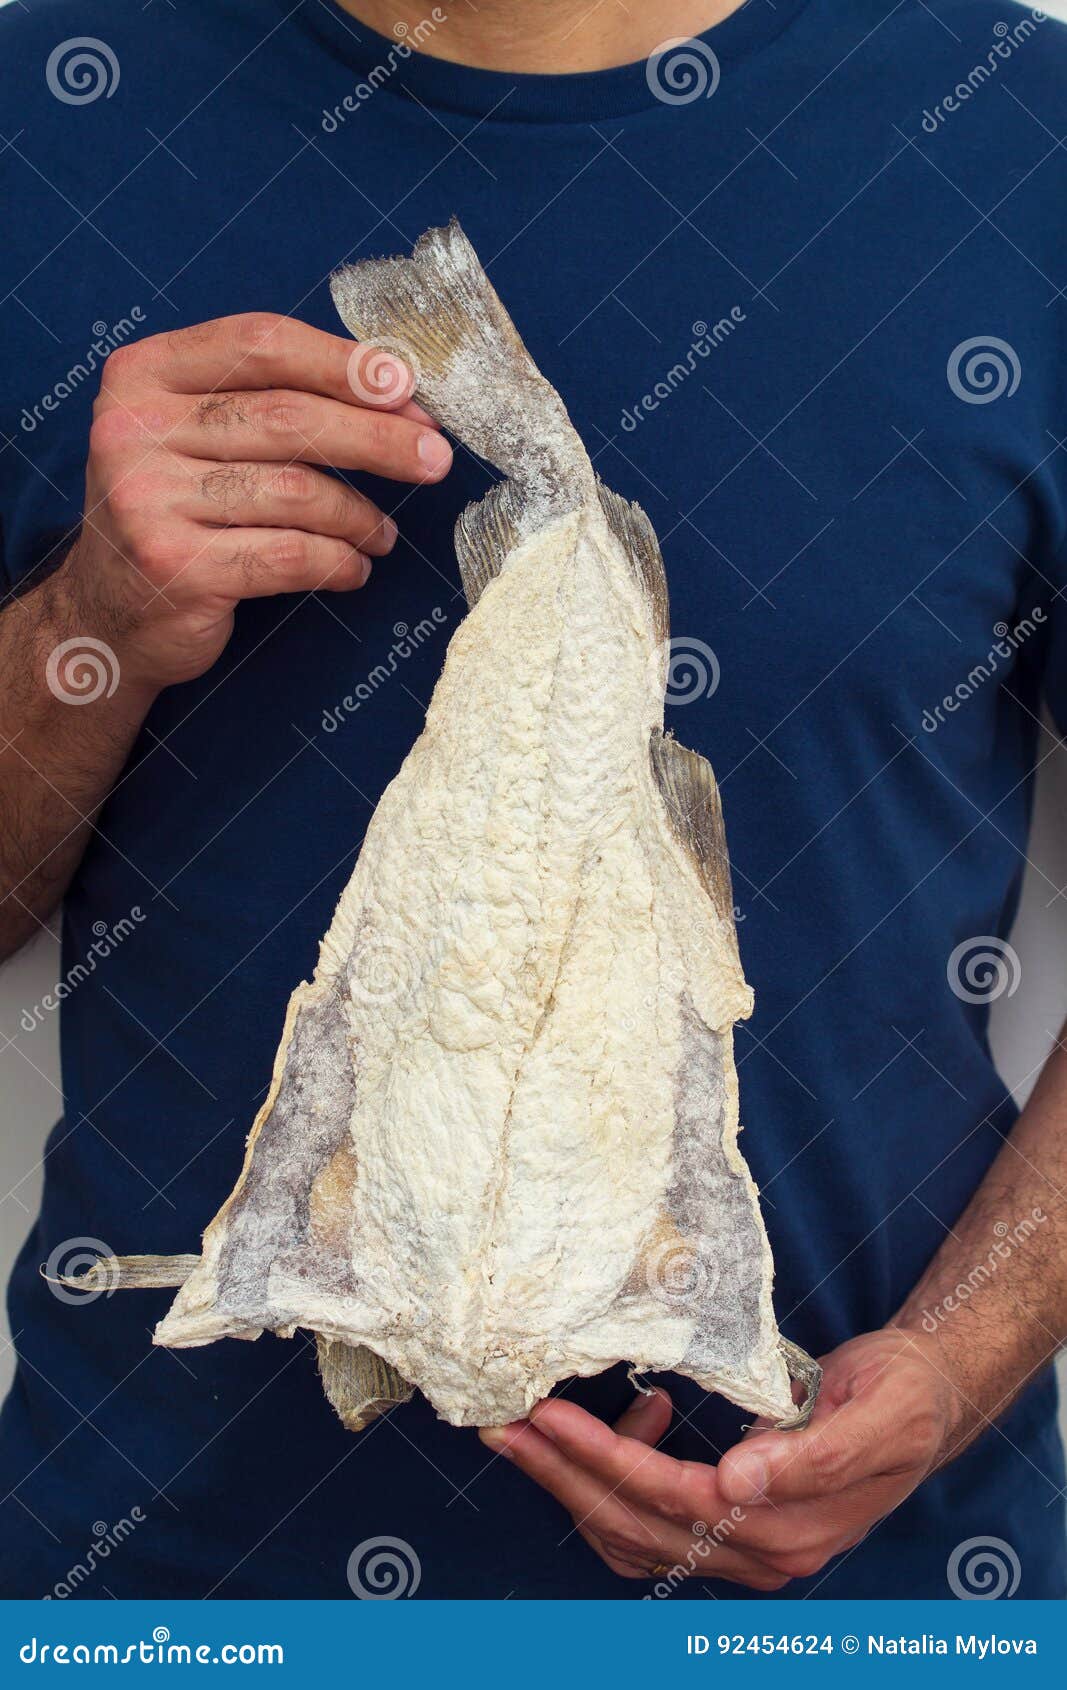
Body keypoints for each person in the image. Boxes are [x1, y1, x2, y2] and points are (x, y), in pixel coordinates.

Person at [0, 0, 1064, 1601]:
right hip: (168, 1599)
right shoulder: (43, 120)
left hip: (870, 1617)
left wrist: (955, 1364)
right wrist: (87, 625)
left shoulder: (1022, 143)